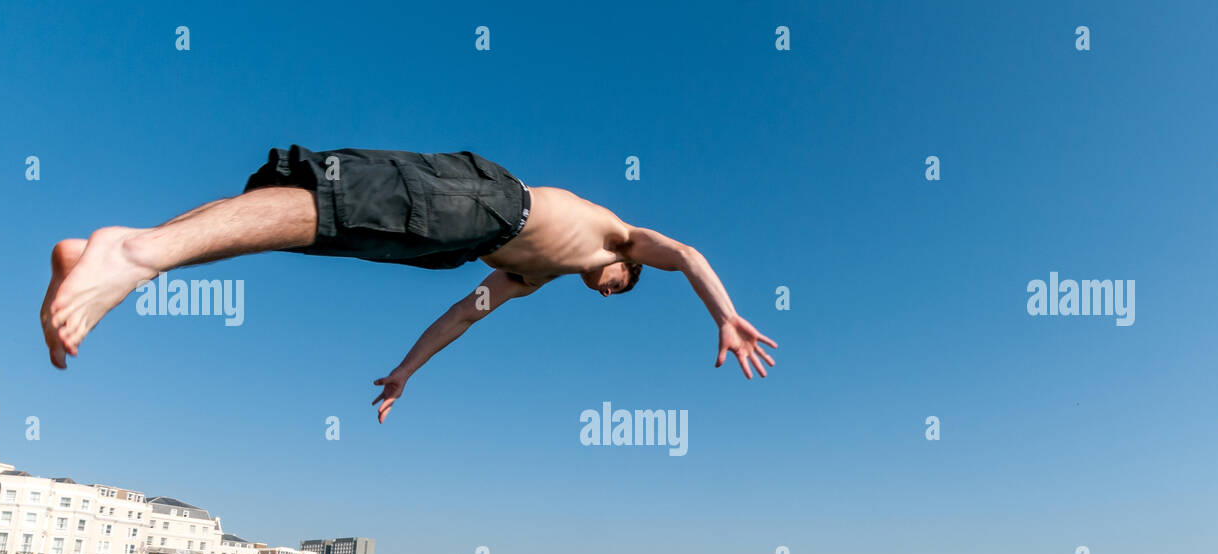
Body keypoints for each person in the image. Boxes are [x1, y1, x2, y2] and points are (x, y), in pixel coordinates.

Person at [39, 147, 778, 400]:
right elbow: (688, 257)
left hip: (461, 240)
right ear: (623, 263)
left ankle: (126, 247)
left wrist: (406, 370)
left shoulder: (532, 279)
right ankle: (132, 256)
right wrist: (723, 313)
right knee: (327, 206)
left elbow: (464, 313)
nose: (615, 289)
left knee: (308, 220)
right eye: (625, 282)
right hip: (490, 202)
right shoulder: (617, 234)